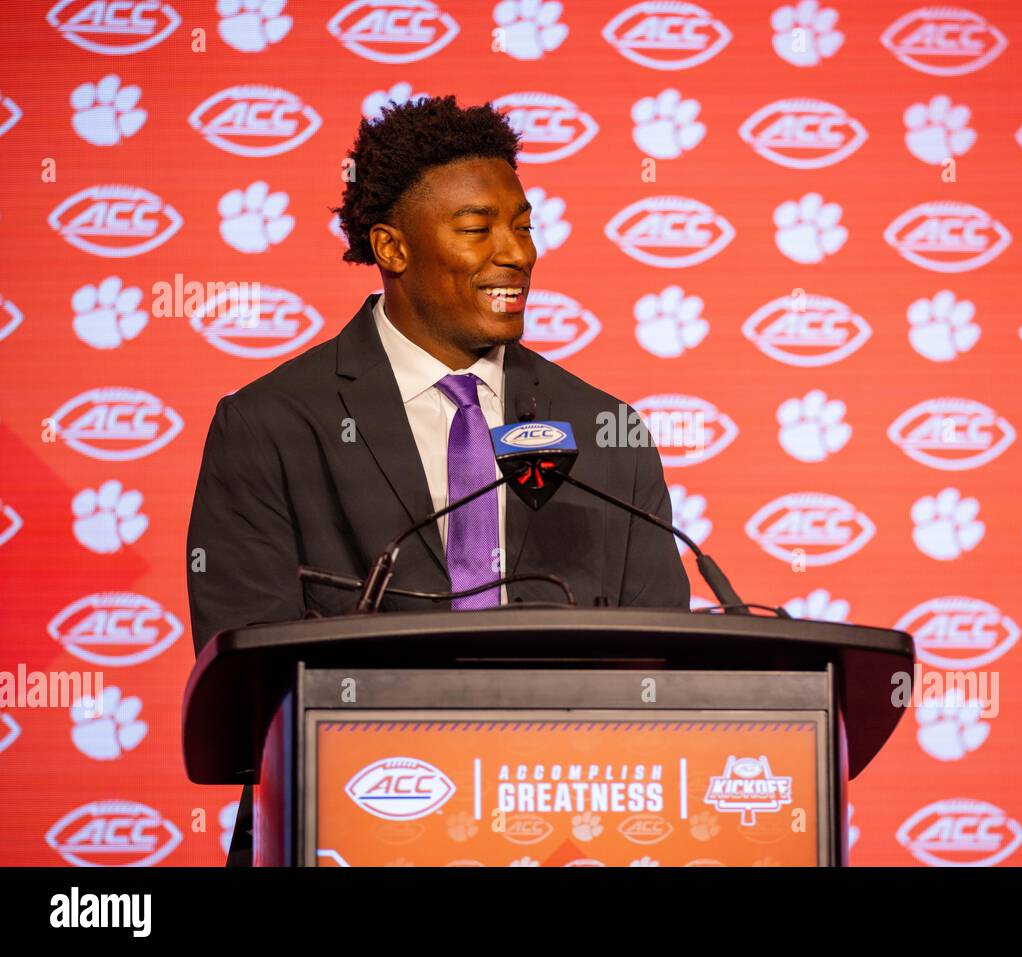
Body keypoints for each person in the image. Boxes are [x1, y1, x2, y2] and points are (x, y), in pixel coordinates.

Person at [185, 95, 690, 866]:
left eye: (523, 225)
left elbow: (664, 674)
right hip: (348, 829)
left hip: (571, 839)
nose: (516, 252)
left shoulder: (603, 431)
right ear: (391, 246)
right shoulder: (271, 425)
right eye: (478, 229)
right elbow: (250, 691)